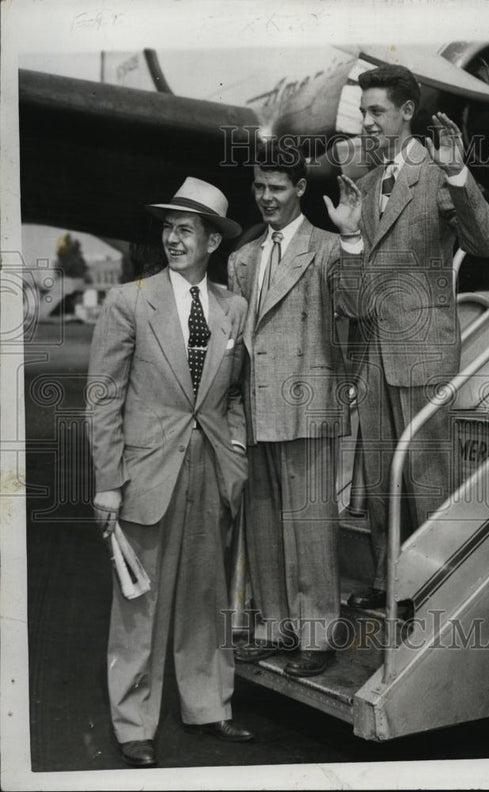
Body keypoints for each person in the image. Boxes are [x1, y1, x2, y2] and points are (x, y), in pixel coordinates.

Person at [87, 177, 253, 768]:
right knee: (141, 604)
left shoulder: (232, 308)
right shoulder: (130, 302)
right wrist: (109, 481)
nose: (173, 239)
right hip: (144, 475)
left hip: (211, 467)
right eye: (168, 228)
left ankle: (209, 706)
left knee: (206, 596)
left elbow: (233, 393)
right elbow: (103, 398)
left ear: (212, 240)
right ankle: (134, 722)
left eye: (186, 229)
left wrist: (234, 449)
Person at [324, 64, 489, 610]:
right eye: (362, 112)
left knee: (427, 474)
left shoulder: (436, 172)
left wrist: (458, 176)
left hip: (423, 350)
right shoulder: (368, 185)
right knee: (380, 477)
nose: (367, 122)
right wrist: (351, 240)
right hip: (372, 353)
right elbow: (353, 297)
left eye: (377, 111)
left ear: (407, 112)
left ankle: (433, 586)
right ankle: (386, 580)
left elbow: (487, 241)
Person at [228, 142, 352, 677]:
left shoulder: (328, 248)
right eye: (259, 187)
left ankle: (318, 634)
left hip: (308, 404)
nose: (266, 198)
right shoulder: (242, 259)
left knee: (312, 527)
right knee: (263, 525)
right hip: (257, 409)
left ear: (300, 189)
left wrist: (352, 236)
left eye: (277, 188)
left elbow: (357, 305)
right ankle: (275, 627)